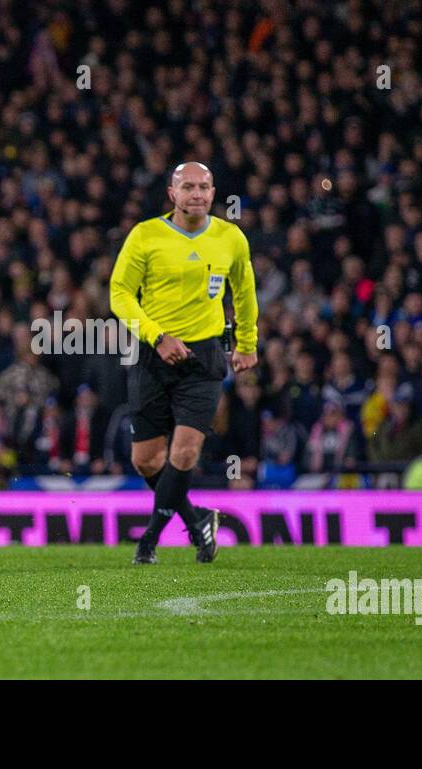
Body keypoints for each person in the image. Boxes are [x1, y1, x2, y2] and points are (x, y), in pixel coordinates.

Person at [110, 162, 259, 564]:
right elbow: (120, 294)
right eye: (188, 187)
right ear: (172, 194)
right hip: (152, 354)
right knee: (144, 460)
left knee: (185, 453)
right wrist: (156, 337)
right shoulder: (146, 235)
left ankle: (149, 542)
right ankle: (198, 523)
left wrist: (246, 343)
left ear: (213, 193)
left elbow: (243, 292)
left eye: (204, 187)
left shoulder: (231, 238)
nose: (197, 194)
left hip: (203, 357)